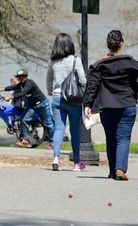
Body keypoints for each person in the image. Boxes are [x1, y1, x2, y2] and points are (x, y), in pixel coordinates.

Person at [83, 30, 138, 181]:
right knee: (123, 138)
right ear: (121, 43)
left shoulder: (100, 63)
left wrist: (88, 104)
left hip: (107, 106)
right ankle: (120, 169)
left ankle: (113, 170)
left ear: (108, 44)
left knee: (111, 139)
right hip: (127, 104)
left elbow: (92, 85)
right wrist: (136, 89)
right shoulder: (129, 61)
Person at [47, 33, 87, 172]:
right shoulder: (75, 60)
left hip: (57, 98)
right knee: (75, 131)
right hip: (73, 99)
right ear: (70, 45)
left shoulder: (52, 61)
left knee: (59, 129)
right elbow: (83, 81)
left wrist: (49, 91)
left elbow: (49, 79)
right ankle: (76, 164)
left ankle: (56, 159)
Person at [0, 68, 54, 148]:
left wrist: (11, 97)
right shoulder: (21, 84)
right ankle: (26, 141)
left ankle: (54, 143)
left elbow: (23, 92)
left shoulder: (30, 83)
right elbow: (13, 87)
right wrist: (0, 89)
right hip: (32, 106)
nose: (19, 78)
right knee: (23, 119)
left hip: (42, 104)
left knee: (48, 124)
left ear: (26, 76)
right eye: (18, 77)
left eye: (21, 77)